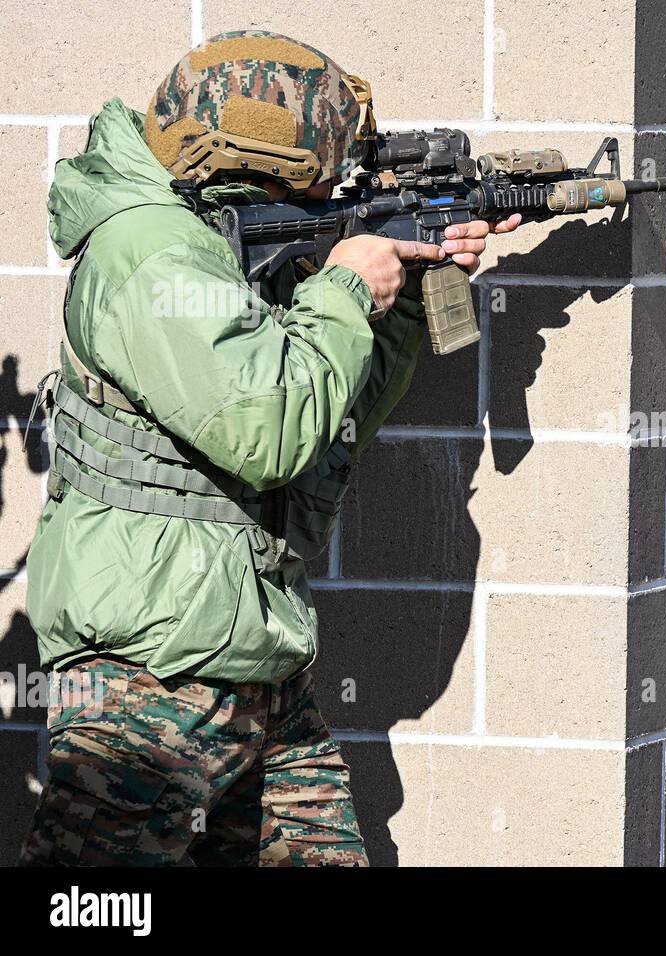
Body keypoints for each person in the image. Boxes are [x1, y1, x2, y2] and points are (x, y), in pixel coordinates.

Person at [18, 30, 519, 866]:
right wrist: (349, 281)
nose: (335, 176)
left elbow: (334, 409)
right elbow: (271, 430)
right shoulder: (150, 252)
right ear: (264, 158)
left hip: (257, 657)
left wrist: (400, 285)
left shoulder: (218, 234)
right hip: (151, 674)